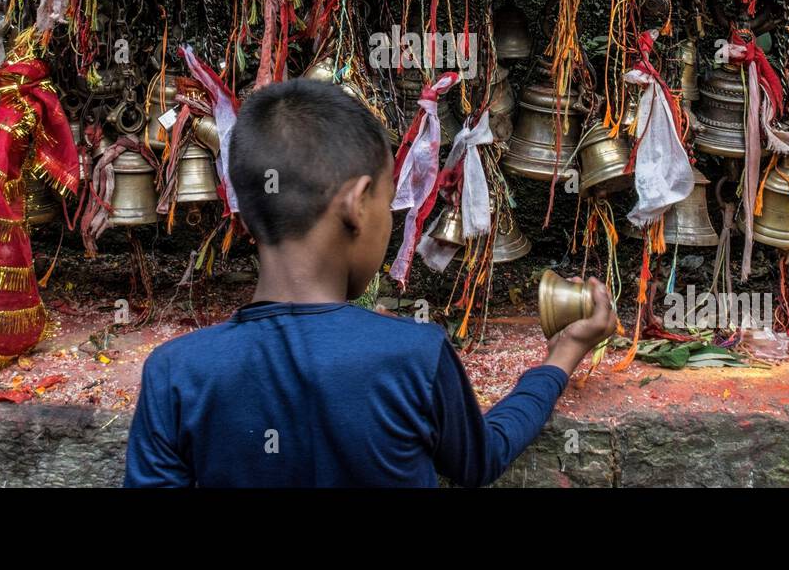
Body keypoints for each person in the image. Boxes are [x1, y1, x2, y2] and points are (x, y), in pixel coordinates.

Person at [124, 78, 617, 487]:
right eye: (389, 202)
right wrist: (562, 356)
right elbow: (479, 461)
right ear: (357, 203)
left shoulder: (175, 374)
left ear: (249, 214)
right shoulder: (413, 355)